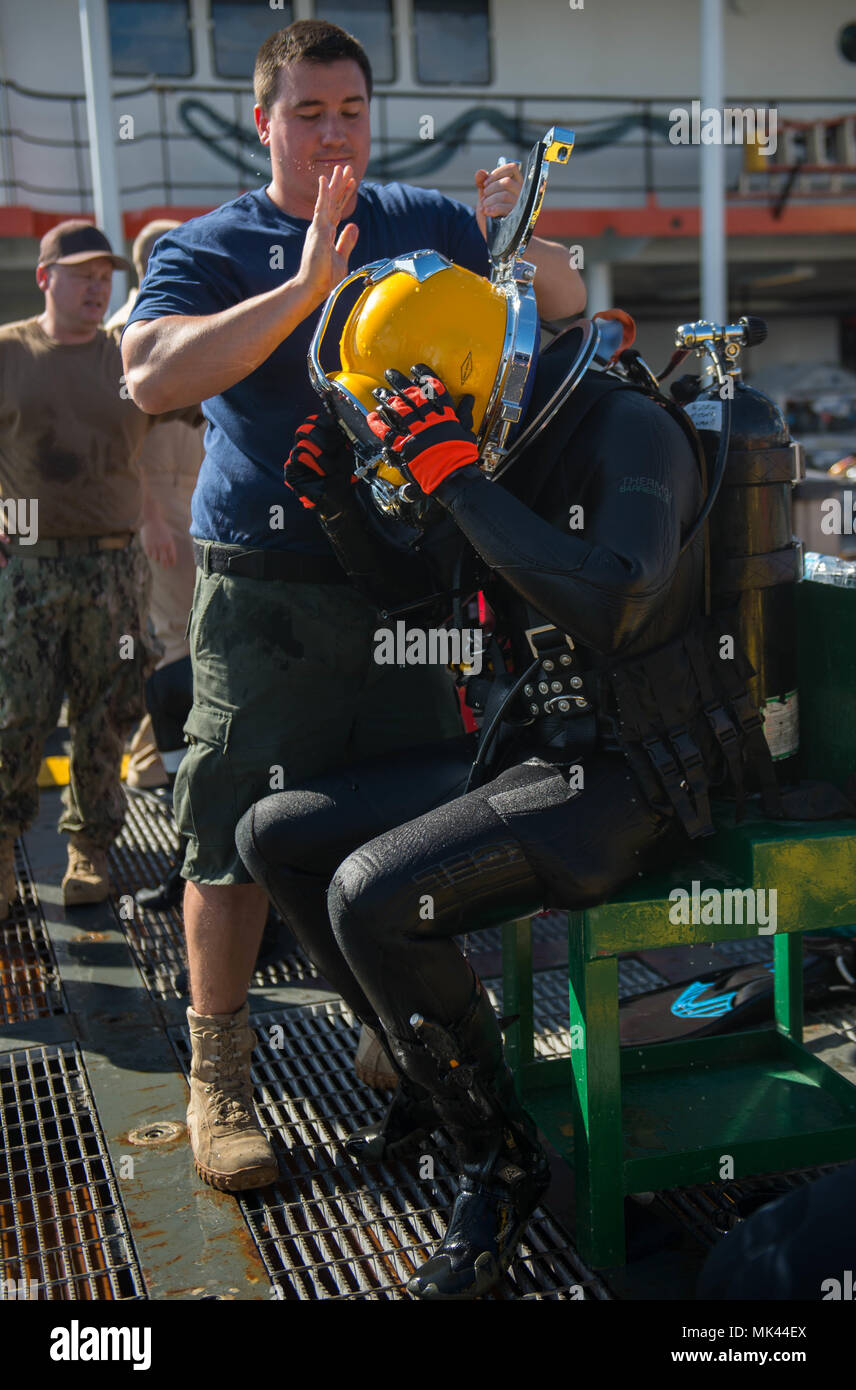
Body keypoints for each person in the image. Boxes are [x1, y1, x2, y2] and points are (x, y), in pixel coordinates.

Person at [234, 258, 780, 1297]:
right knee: (276, 833)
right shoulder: (510, 434)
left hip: (639, 772)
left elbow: (617, 602)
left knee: (372, 896)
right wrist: (343, 504)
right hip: (536, 746)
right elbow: (422, 589)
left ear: (458, 377)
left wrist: (458, 480)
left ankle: (500, 1155)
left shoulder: (626, 431)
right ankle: (436, 1078)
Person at [120, 18, 585, 1194]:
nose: (332, 135)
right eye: (307, 113)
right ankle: (218, 1071)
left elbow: (568, 307)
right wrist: (303, 288)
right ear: (263, 121)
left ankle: (393, 1027)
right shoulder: (210, 243)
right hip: (264, 591)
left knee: (410, 819)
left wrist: (517, 240)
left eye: (350, 113)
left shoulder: (424, 223)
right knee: (227, 826)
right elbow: (152, 375)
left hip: (404, 581)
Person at [0, 220, 196, 922]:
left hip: (114, 569)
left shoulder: (126, 356)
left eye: (104, 274)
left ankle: (90, 849)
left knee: (102, 717)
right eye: (82, 274)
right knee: (16, 715)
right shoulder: (10, 352)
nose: (97, 286)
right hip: (27, 568)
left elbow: (183, 419)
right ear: (45, 277)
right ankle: (2, 851)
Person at [107, 220, 205, 795]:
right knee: (175, 636)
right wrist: (148, 519)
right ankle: (156, 765)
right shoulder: (128, 331)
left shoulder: (173, 319)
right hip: (160, 499)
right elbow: (119, 449)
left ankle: (148, 759)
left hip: (187, 490)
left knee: (185, 633)